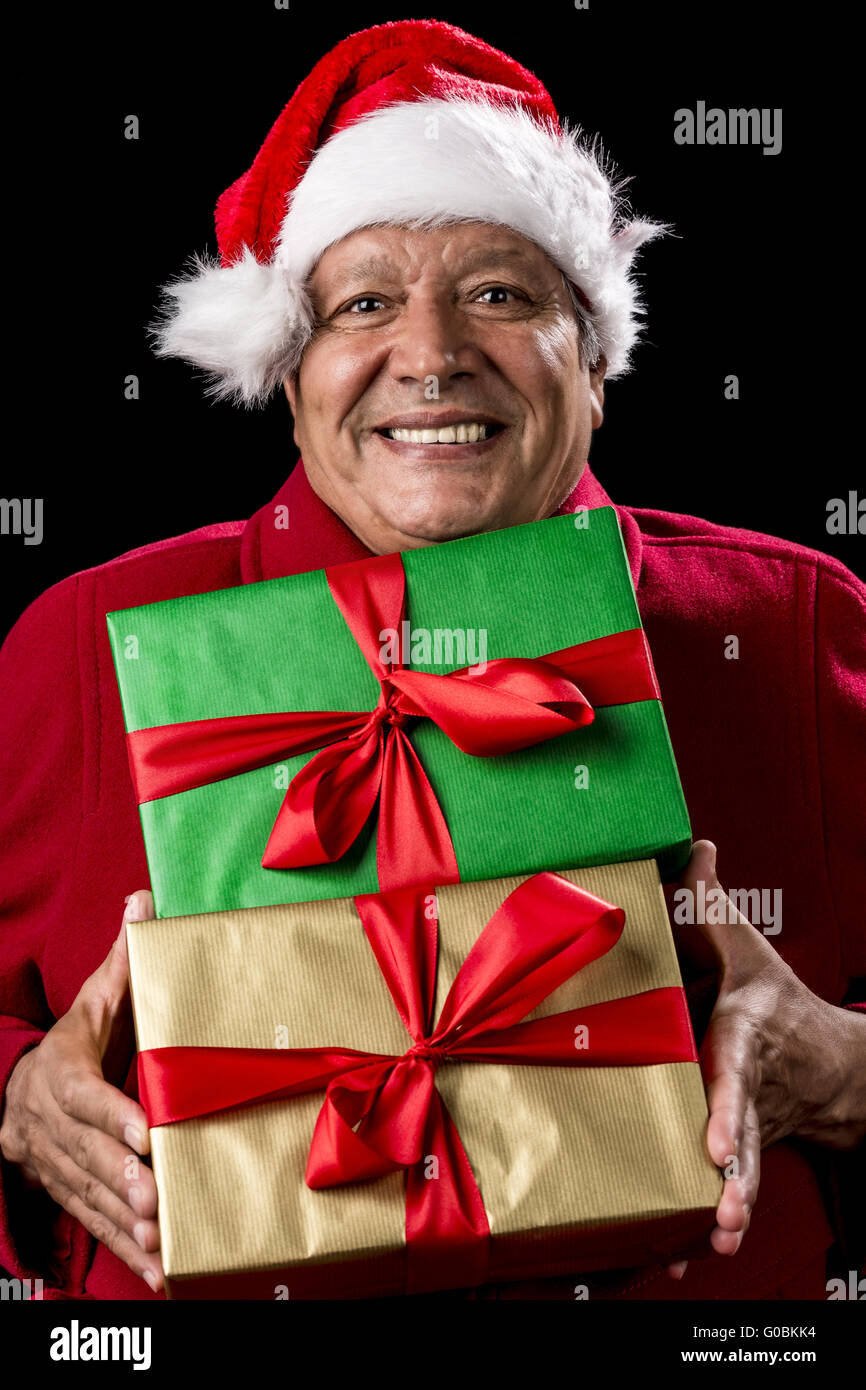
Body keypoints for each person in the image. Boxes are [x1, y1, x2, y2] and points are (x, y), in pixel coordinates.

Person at [1, 19, 863, 1302]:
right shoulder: (80, 640)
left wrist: (843, 1071)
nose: (433, 353)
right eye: (362, 303)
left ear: (599, 360)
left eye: (500, 293)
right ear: (292, 376)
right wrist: (20, 1094)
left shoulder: (793, 622)